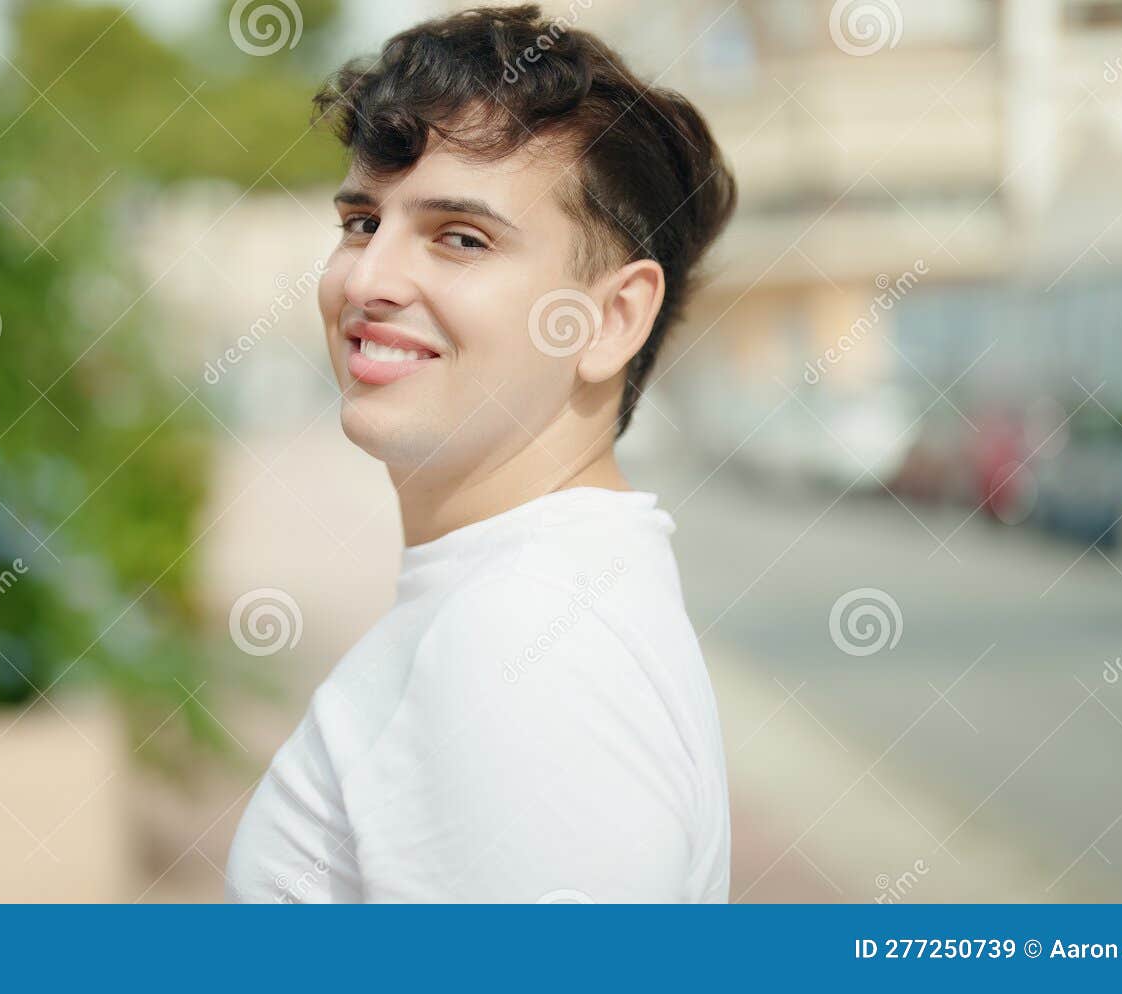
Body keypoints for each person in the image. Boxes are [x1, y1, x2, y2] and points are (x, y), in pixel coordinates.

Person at [226, 4, 738, 903]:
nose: (368, 280)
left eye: (461, 238)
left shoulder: (522, 646)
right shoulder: (530, 598)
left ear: (611, 318)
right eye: (360, 223)